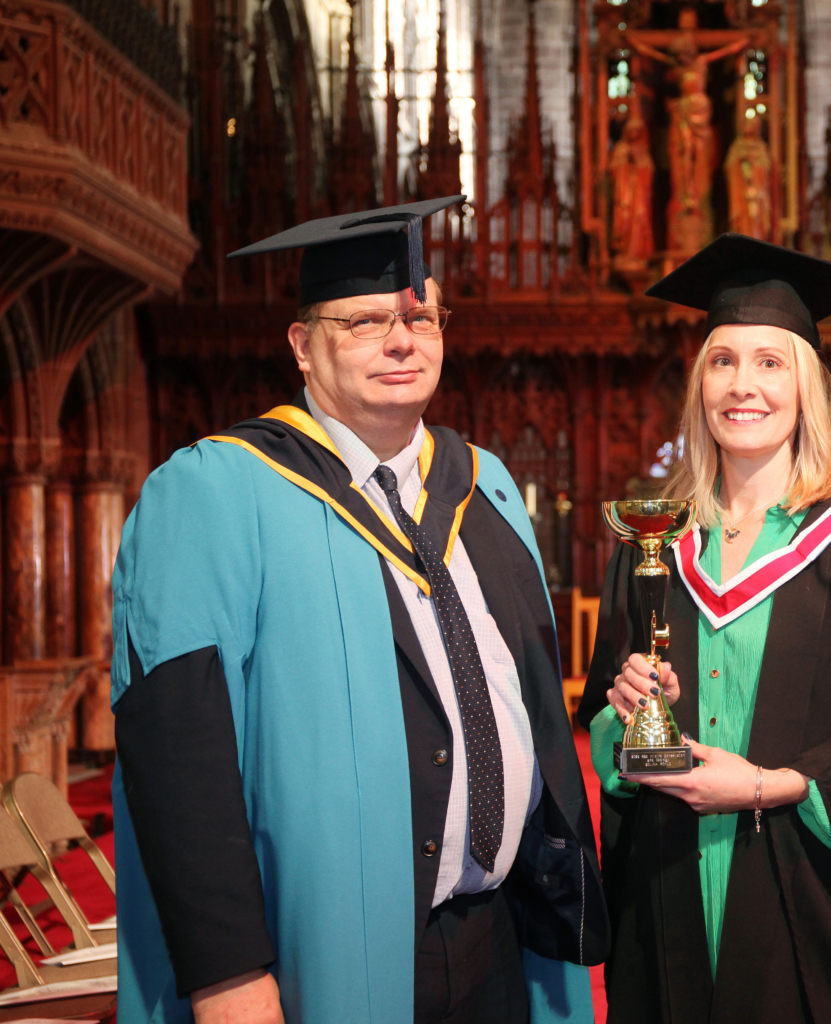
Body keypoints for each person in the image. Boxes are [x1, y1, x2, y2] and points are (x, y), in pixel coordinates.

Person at [111, 196, 606, 1024]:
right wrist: (228, 975)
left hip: (500, 935)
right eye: (367, 321)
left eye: (422, 317)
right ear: (303, 346)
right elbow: (176, 749)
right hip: (325, 949)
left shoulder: (483, 488)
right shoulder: (215, 491)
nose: (403, 340)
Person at [577, 233, 831, 1024]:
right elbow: (606, 728)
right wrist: (623, 716)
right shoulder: (655, 547)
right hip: (672, 895)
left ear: (807, 388)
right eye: (723, 360)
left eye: (771, 361)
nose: (744, 385)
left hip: (813, 907)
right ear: (700, 383)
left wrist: (770, 786)